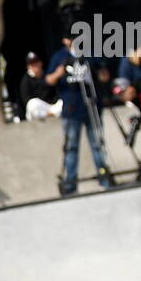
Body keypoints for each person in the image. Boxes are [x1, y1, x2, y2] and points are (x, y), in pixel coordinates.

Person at [46, 37, 112, 195]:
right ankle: (70, 184)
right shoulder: (59, 57)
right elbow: (49, 80)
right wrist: (59, 71)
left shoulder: (89, 54)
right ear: (65, 40)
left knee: (97, 143)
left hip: (91, 106)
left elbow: (104, 77)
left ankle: (104, 177)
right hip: (71, 109)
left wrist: (101, 71)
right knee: (71, 146)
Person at [18, 52, 62, 120]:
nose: (35, 65)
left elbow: (57, 91)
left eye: (36, 62)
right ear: (28, 66)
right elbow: (26, 100)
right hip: (40, 108)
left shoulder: (48, 75)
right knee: (32, 104)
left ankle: (51, 115)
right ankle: (48, 115)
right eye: (32, 64)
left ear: (40, 63)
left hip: (52, 106)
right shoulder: (26, 80)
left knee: (63, 102)